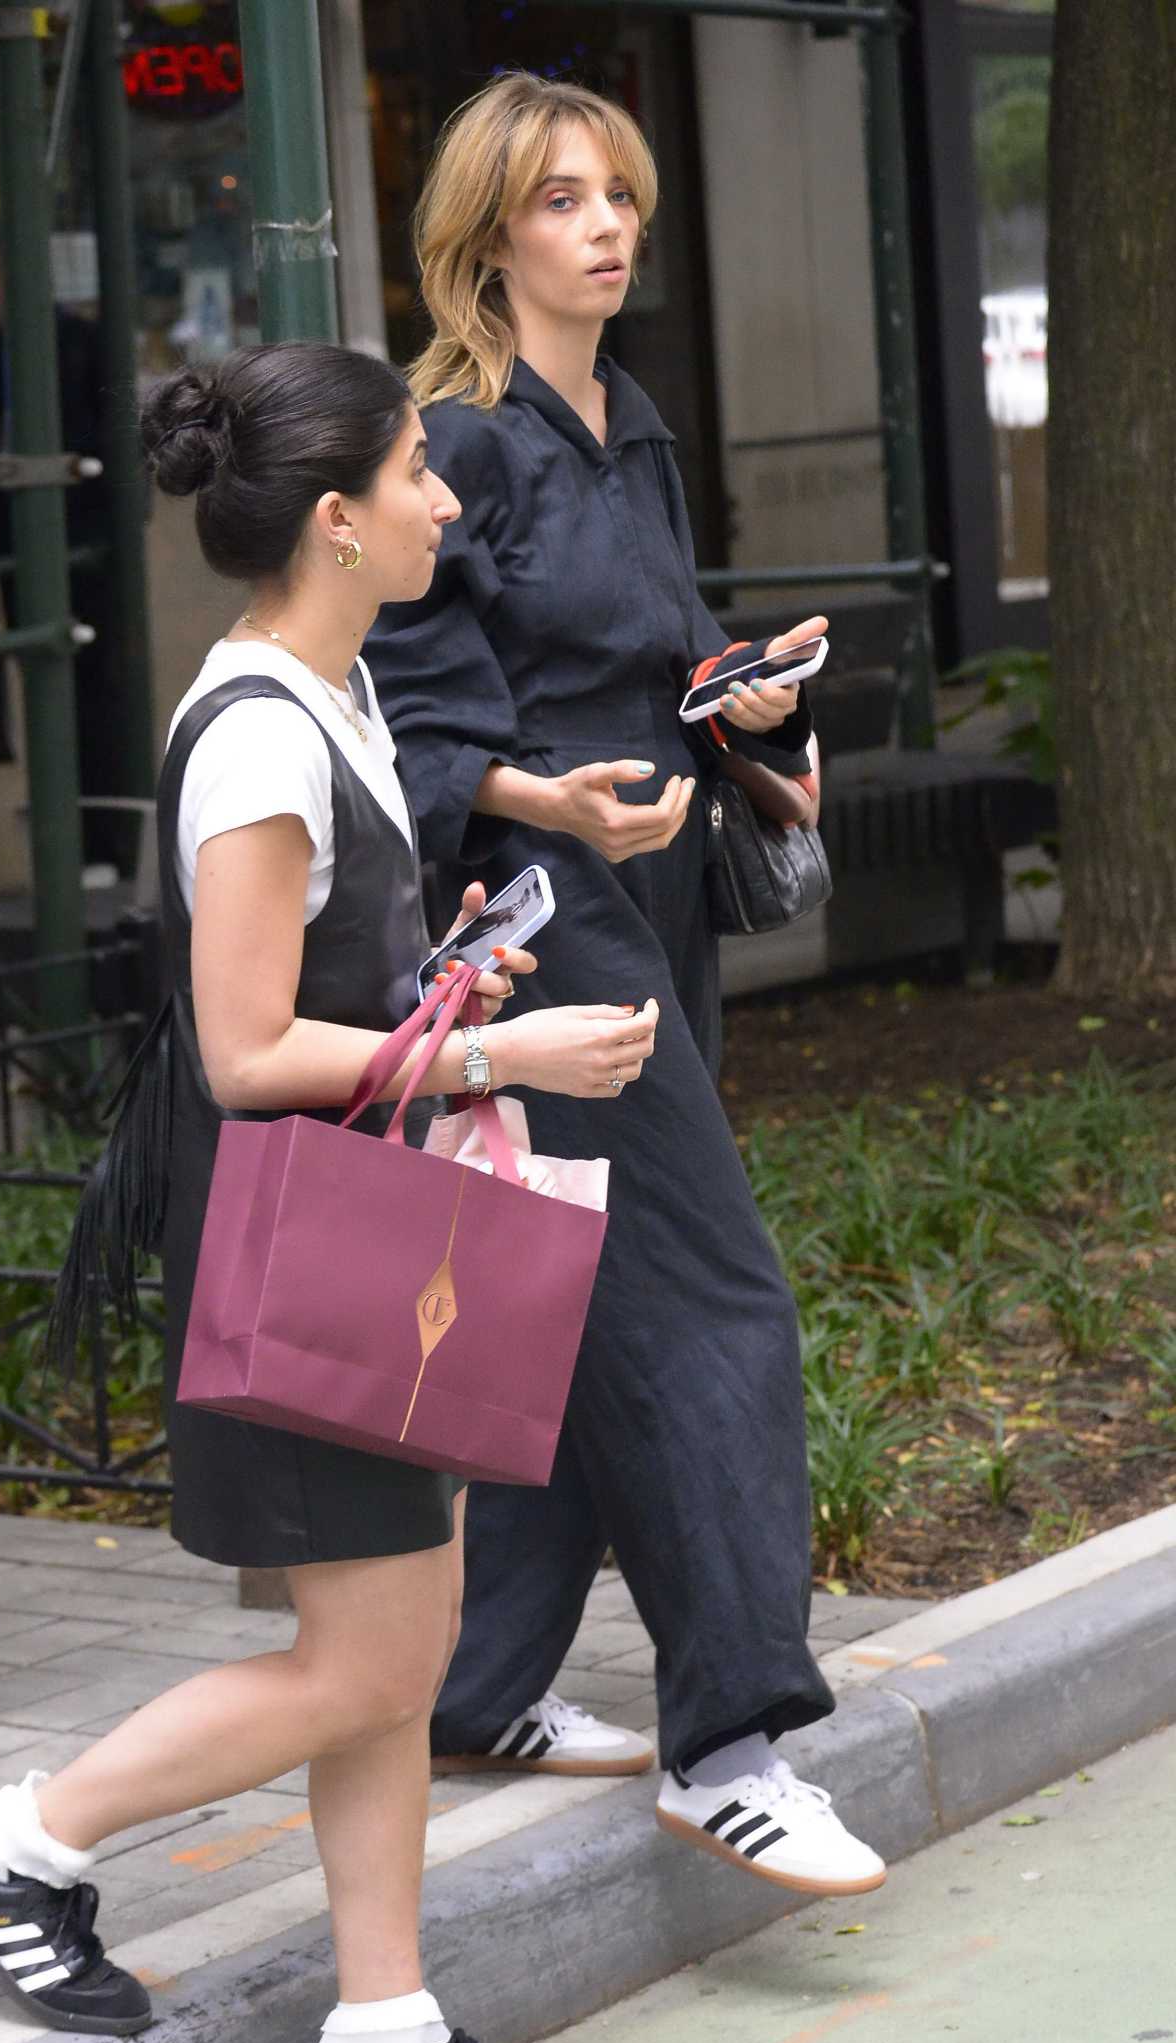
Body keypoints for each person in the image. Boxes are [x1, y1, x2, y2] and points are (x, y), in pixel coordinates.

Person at [0, 340, 660, 2043]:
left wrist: (438, 965)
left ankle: (389, 2026)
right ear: (336, 521)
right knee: (366, 1663)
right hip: (306, 1240)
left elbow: (315, 991)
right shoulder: (260, 735)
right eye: (417, 474)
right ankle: (9, 1847)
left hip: (357, 1229)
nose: (444, 498)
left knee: (399, 1643)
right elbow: (246, 1050)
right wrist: (498, 1047)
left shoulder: (324, 695)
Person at [365, 74, 885, 1897]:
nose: (606, 226)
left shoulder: (630, 417)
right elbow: (409, 710)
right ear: (488, 233)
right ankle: (729, 1733)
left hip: (651, 898)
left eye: (621, 198)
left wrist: (751, 696)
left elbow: (644, 647)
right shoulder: (459, 437)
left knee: (568, 1287)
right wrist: (545, 796)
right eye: (564, 199)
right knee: (713, 1294)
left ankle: (488, 1680)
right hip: (537, 915)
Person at [0, 223, 132, 878]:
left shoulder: (83, 346)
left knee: (94, 696)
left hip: (84, 550)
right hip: (17, 557)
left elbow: (118, 453)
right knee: (44, 696)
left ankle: (105, 846)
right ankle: (67, 844)